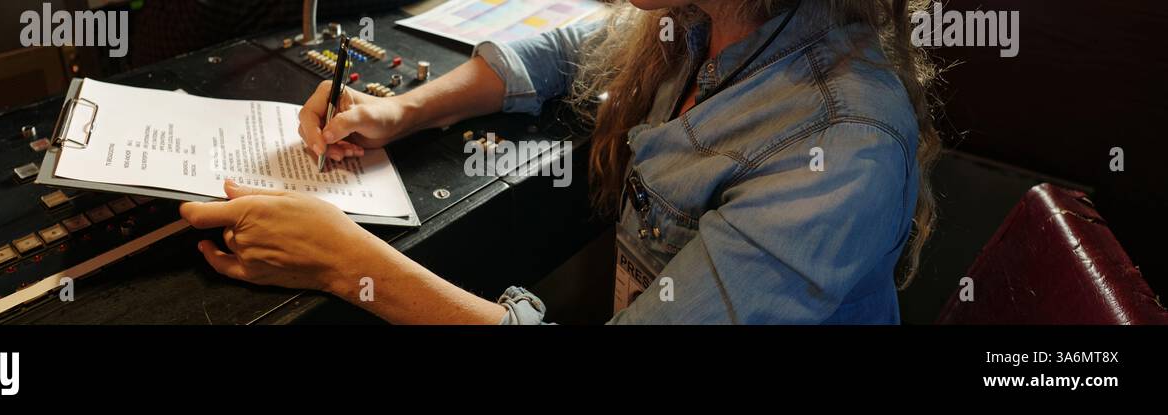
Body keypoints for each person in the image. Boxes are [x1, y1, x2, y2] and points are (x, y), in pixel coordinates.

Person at [178, 0, 941, 324]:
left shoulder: (845, 147)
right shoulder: (711, 20)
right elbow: (575, 44)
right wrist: (402, 110)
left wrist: (344, 263)